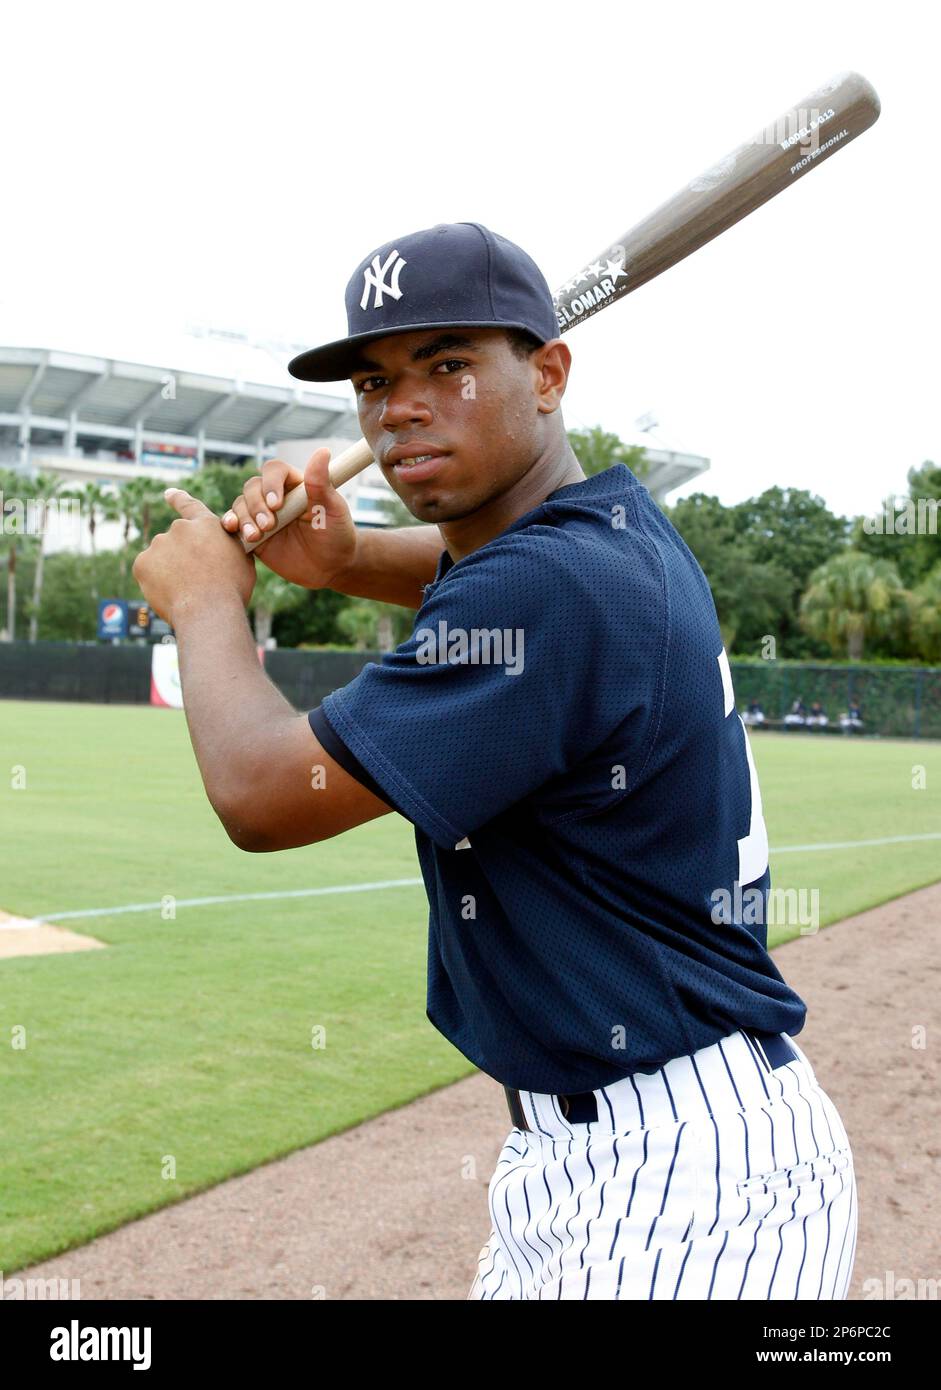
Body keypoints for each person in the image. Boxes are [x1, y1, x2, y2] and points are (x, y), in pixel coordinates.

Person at [132, 222, 857, 1301]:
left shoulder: (545, 588)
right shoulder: (611, 534)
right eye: (376, 381)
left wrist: (203, 601)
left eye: (450, 366)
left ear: (549, 372)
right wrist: (337, 560)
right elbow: (471, 586)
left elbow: (261, 792)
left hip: (676, 1181)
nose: (401, 406)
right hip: (611, 1151)